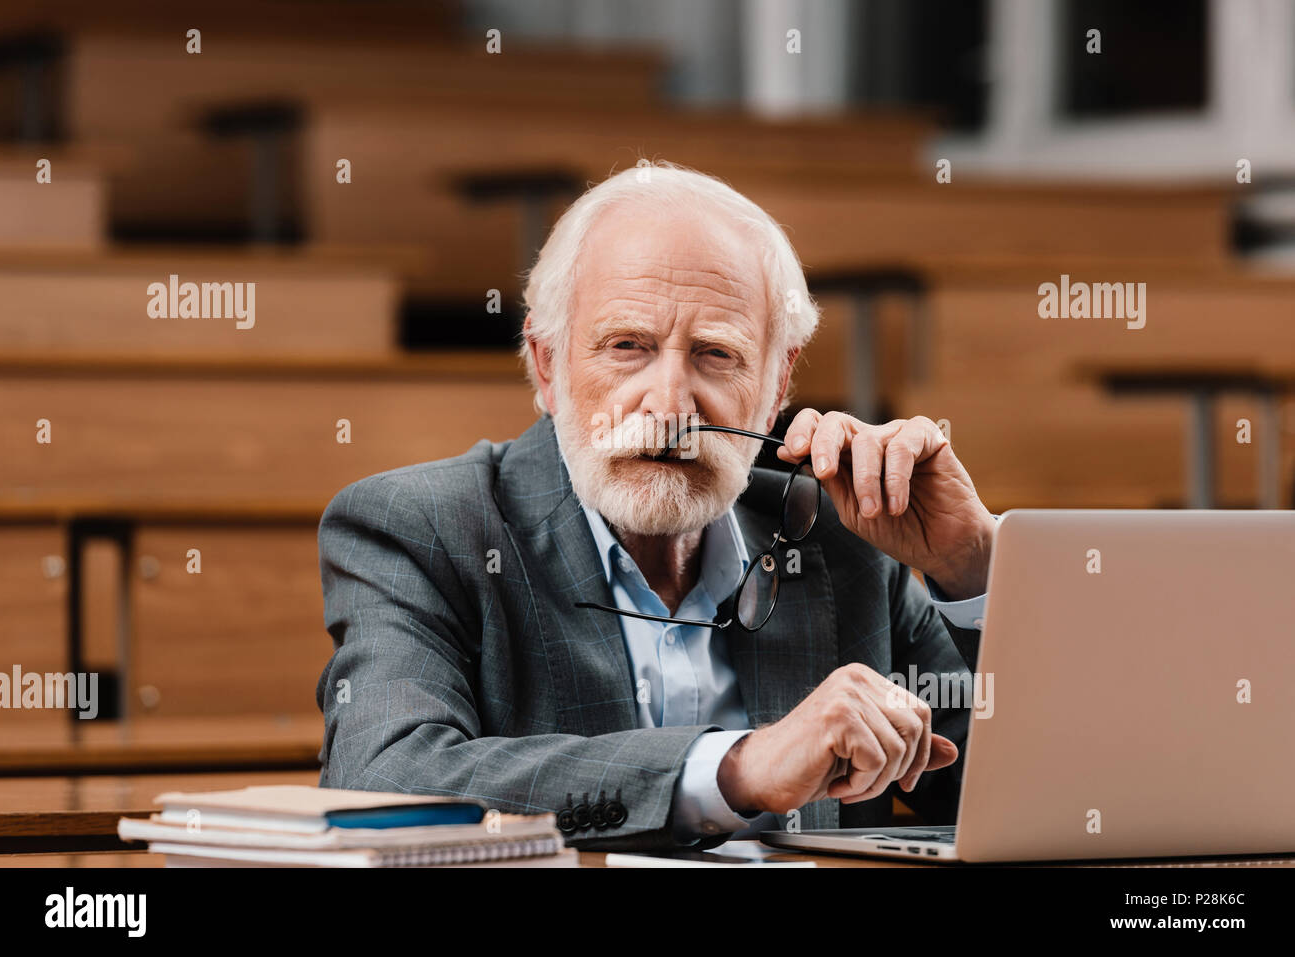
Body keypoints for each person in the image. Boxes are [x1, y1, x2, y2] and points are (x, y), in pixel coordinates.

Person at [315, 161, 995, 850]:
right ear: (547, 366)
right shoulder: (422, 529)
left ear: (778, 380)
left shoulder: (837, 537)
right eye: (627, 347)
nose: (669, 405)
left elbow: (1021, 790)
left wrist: (971, 570)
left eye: (716, 354)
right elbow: (381, 780)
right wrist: (735, 767)